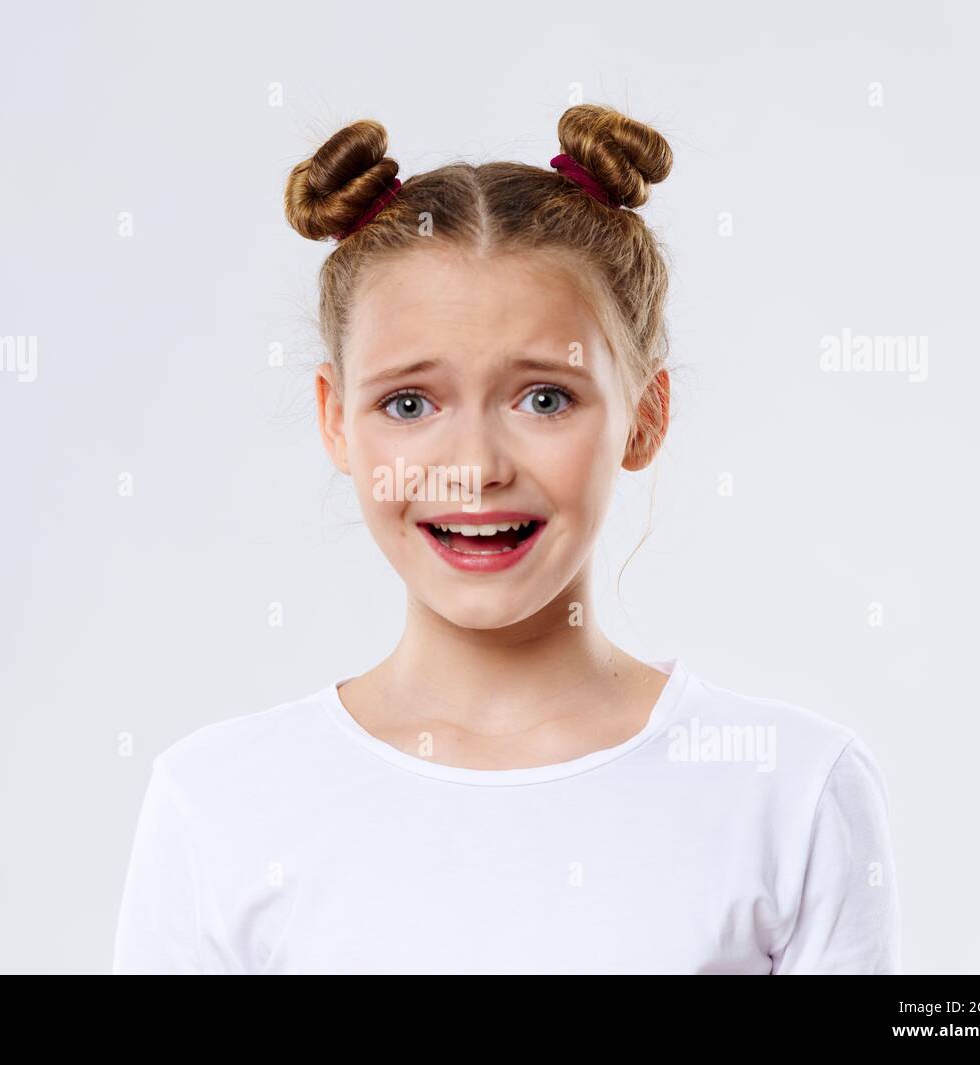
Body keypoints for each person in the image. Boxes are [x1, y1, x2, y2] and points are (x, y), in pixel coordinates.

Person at [112, 104, 901, 974]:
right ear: (338, 421)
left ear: (644, 418)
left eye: (545, 399)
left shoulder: (793, 791)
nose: (476, 467)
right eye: (409, 404)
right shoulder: (219, 801)